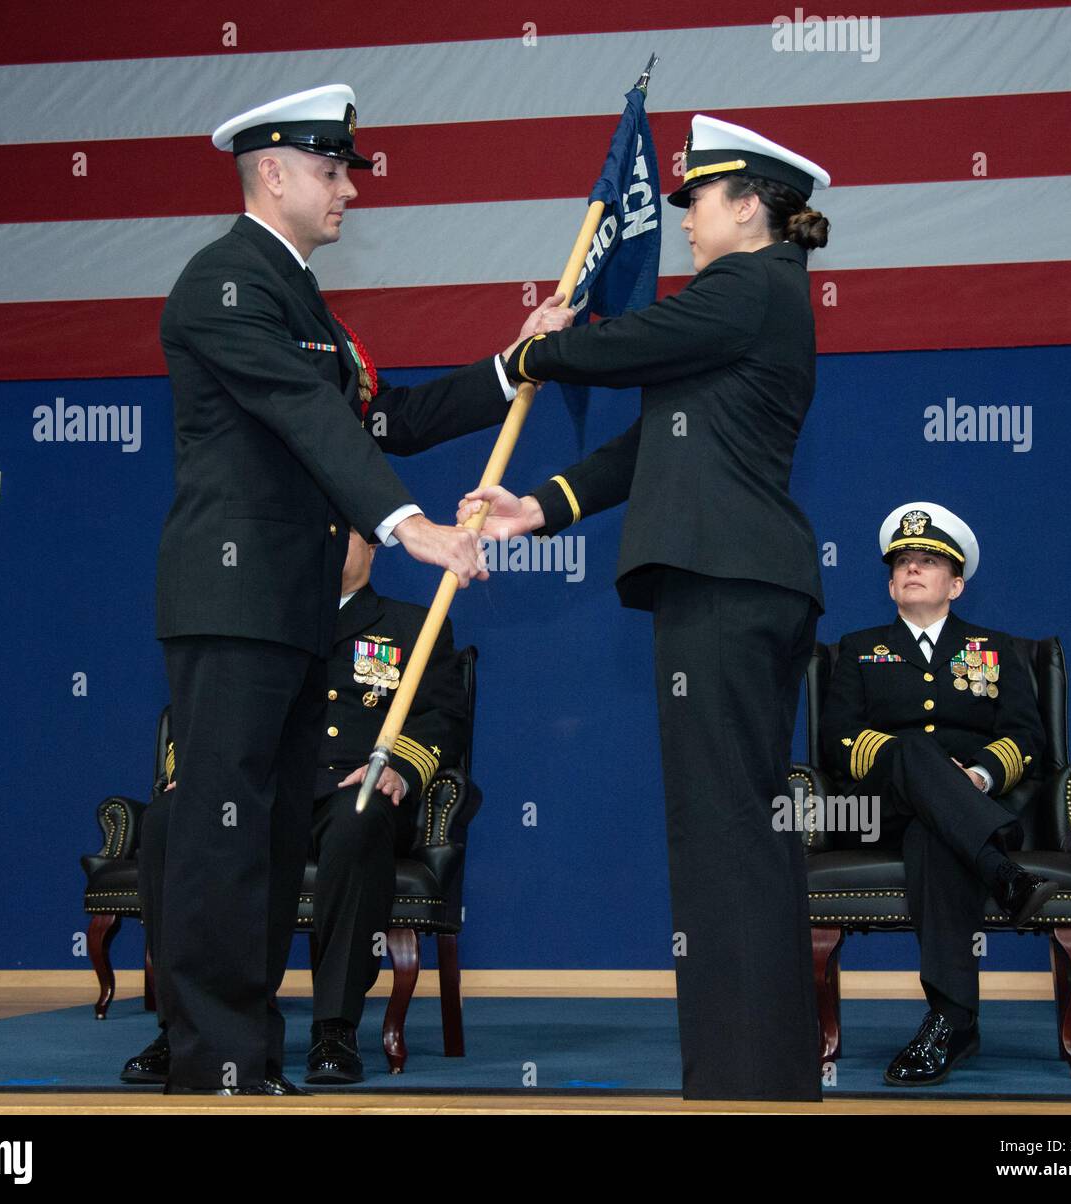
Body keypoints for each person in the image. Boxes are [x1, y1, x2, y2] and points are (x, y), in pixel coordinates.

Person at [154, 83, 568, 1095]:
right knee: (221, 836)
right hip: (234, 598)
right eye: (332, 171)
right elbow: (309, 415)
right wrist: (406, 525)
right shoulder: (225, 285)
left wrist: (517, 363)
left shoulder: (303, 304)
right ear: (273, 173)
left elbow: (382, 421)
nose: (348, 190)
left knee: (268, 834)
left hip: (289, 612)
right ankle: (209, 1058)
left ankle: (241, 1053)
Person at [459, 115, 833, 1100]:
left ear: (748, 205)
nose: (686, 221)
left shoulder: (751, 286)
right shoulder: (737, 309)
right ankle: (752, 1069)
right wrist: (538, 505)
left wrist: (547, 346)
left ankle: (745, 1076)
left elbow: (631, 345)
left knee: (726, 837)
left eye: (698, 201)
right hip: (731, 584)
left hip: (729, 582)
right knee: (726, 835)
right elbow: (652, 442)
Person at [125, 529, 469, 1087]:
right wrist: (189, 771)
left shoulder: (412, 626)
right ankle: (184, 1028)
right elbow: (197, 703)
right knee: (169, 820)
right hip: (262, 793)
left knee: (360, 818)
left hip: (353, 790)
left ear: (374, 544)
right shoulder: (263, 619)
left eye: (344, 535)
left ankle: (334, 1028)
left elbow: (441, 719)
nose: (327, 547)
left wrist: (398, 767)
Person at [820, 503, 1056, 1086]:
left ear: (956, 584)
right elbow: (837, 739)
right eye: (902, 563)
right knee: (911, 751)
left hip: (953, 816)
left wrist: (972, 778)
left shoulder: (995, 649)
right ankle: (1001, 868)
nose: (911, 569)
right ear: (890, 582)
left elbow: (1026, 738)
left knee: (936, 832)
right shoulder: (858, 647)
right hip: (876, 809)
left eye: (927, 562)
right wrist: (922, 764)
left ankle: (951, 1021)